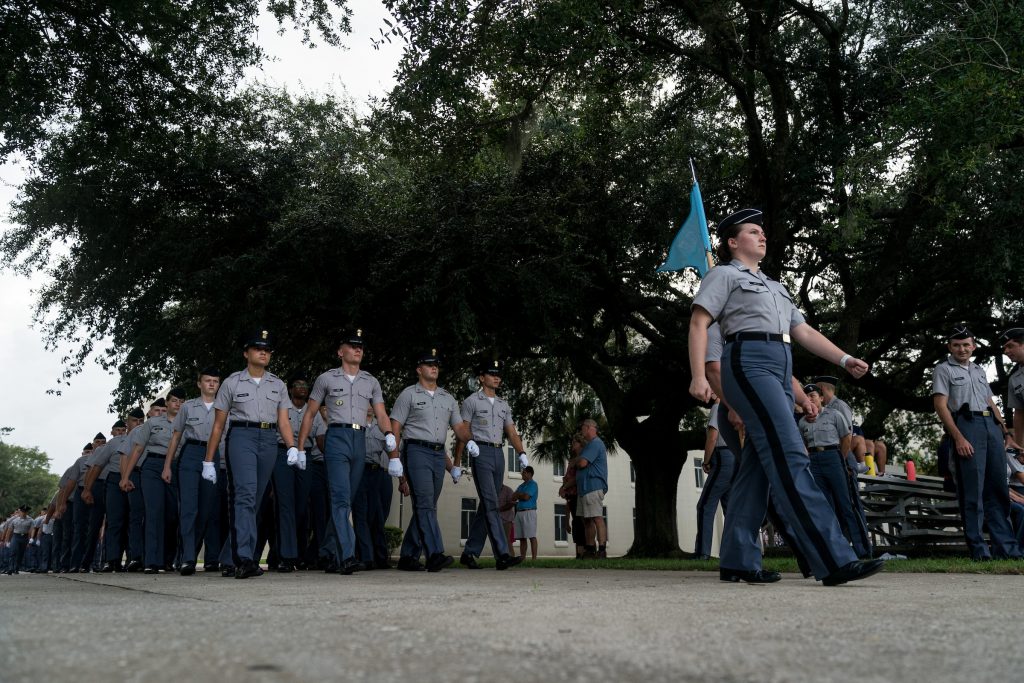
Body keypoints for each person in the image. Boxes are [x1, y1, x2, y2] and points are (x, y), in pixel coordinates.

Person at [688, 207, 883, 586]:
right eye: (753, 231)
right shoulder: (723, 275)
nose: (762, 236)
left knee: (758, 468)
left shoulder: (776, 286)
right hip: (748, 362)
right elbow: (698, 322)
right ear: (732, 242)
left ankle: (738, 560)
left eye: (763, 231)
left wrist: (844, 359)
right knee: (791, 454)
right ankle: (834, 558)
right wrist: (699, 375)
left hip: (780, 363)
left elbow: (803, 332)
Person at [296, 329, 398, 576]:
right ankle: (347, 556)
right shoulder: (326, 379)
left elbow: (382, 414)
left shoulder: (371, 381)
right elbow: (310, 413)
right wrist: (299, 447)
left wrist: (390, 437)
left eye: (360, 346)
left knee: (346, 500)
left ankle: (327, 552)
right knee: (341, 499)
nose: (358, 349)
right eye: (352, 345)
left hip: (359, 439)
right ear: (340, 352)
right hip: (337, 439)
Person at [203, 329, 300, 579]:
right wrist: (208, 461)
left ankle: (228, 557)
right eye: (258, 348)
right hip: (241, 437)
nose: (263, 352)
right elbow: (218, 426)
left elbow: (284, 421)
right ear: (246, 353)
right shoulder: (232, 382)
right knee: (244, 495)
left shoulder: (277, 384)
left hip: (268, 440)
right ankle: (244, 559)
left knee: (255, 500)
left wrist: (292, 447)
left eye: (267, 350)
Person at [932, 325, 1021, 560]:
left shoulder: (979, 370)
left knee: (998, 489)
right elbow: (941, 405)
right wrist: (958, 436)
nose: (962, 349)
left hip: (990, 426)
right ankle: (979, 549)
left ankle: (1007, 548)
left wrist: (1006, 432)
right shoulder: (943, 369)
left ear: (973, 346)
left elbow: (990, 402)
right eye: (956, 345)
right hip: (966, 425)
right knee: (973, 490)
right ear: (950, 347)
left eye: (966, 345)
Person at [390, 349, 474, 572]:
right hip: (416, 451)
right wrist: (394, 458)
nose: (434, 367)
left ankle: (408, 556)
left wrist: (470, 442)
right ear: (419, 370)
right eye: (429, 364)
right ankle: (434, 553)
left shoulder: (448, 397)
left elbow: (459, 429)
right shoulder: (408, 394)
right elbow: (395, 427)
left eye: (436, 364)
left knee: (426, 506)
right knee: (425, 504)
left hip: (438, 454)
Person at [456, 359, 527, 571]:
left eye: (498, 374)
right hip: (481, 452)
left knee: (487, 505)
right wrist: (458, 461)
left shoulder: (504, 404)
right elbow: (462, 431)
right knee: (491, 502)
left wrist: (521, 452)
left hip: (498, 453)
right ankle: (502, 554)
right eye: (491, 373)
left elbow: (512, 432)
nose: (497, 377)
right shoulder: (471, 401)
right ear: (481, 377)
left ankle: (469, 553)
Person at [798, 384, 871, 558]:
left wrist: (841, 459)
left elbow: (846, 437)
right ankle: (835, 552)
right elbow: (803, 443)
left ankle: (862, 550)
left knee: (846, 504)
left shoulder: (834, 415)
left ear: (821, 398)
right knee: (825, 507)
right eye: (806, 396)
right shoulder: (802, 422)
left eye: (813, 395)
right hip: (814, 460)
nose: (810, 399)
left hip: (834, 457)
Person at [162, 369, 221, 575]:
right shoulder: (187, 407)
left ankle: (189, 553)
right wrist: (168, 465)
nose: (211, 384)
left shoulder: (225, 408)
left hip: (213, 456)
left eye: (215, 381)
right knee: (188, 509)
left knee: (205, 511)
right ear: (199, 384)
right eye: (207, 380)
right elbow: (176, 437)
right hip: (191, 454)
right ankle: (187, 558)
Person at [270, 375, 321, 572]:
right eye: (298, 384)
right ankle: (286, 557)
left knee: (300, 507)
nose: (302, 388)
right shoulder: (281, 408)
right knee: (285, 505)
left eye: (305, 385)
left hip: (305, 455)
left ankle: (293, 553)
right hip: (282, 453)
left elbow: (321, 436)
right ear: (290, 389)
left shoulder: (313, 411)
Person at [123, 396, 179, 573]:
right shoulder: (152, 423)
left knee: (172, 515)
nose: (178, 404)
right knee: (154, 512)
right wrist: (126, 476)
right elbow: (138, 449)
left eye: (181, 401)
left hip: (176, 467)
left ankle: (167, 559)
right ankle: (151, 561)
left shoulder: (186, 423)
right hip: (153, 467)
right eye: (174, 401)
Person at [83, 419, 134, 571]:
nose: (120, 432)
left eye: (122, 430)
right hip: (114, 481)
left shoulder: (144, 437)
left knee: (133, 522)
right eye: (117, 430)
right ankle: (112, 560)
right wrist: (87, 489)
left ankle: (133, 559)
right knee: (114, 522)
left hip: (136, 479)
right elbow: (96, 466)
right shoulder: (113, 443)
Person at [694, 401, 736, 560]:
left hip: (722, 457)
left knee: (705, 505)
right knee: (730, 508)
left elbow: (712, 436)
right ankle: (733, 553)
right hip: (733, 457)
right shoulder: (732, 406)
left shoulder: (718, 407)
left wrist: (706, 461)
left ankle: (702, 552)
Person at [353, 406, 393, 570]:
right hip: (359, 471)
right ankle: (365, 557)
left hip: (376, 474)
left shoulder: (382, 427)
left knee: (375, 515)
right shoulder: (355, 423)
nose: (368, 407)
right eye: (366, 403)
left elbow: (391, 450)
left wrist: (402, 476)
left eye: (372, 403)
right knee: (360, 514)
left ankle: (378, 557)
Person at [573, 419, 609, 559]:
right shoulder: (589, 446)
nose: (581, 431)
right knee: (587, 520)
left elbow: (581, 463)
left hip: (593, 486)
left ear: (589, 428)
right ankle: (590, 549)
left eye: (582, 428)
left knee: (597, 518)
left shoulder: (595, 444)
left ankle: (602, 549)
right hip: (584, 488)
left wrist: (577, 460)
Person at [559, 435, 586, 559]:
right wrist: (563, 486)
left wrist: (565, 487)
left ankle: (584, 551)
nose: (572, 444)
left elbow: (576, 478)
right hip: (570, 495)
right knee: (576, 523)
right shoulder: (572, 460)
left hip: (578, 494)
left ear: (581, 444)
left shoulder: (581, 459)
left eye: (574, 442)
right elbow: (567, 477)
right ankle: (578, 553)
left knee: (581, 523)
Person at [999, 327, 1024, 446]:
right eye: (1004, 348)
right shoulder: (1014, 379)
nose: (1006, 351)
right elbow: (1019, 413)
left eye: (1010, 346)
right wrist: (1020, 446)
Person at [513, 466, 539, 560]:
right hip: (519, 512)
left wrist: (519, 494)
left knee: (531, 536)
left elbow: (526, 497)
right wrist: (520, 495)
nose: (522, 475)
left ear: (529, 473)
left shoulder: (533, 484)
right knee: (521, 537)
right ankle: (522, 558)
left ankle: (534, 558)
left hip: (529, 511)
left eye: (524, 473)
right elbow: (513, 497)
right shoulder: (521, 485)